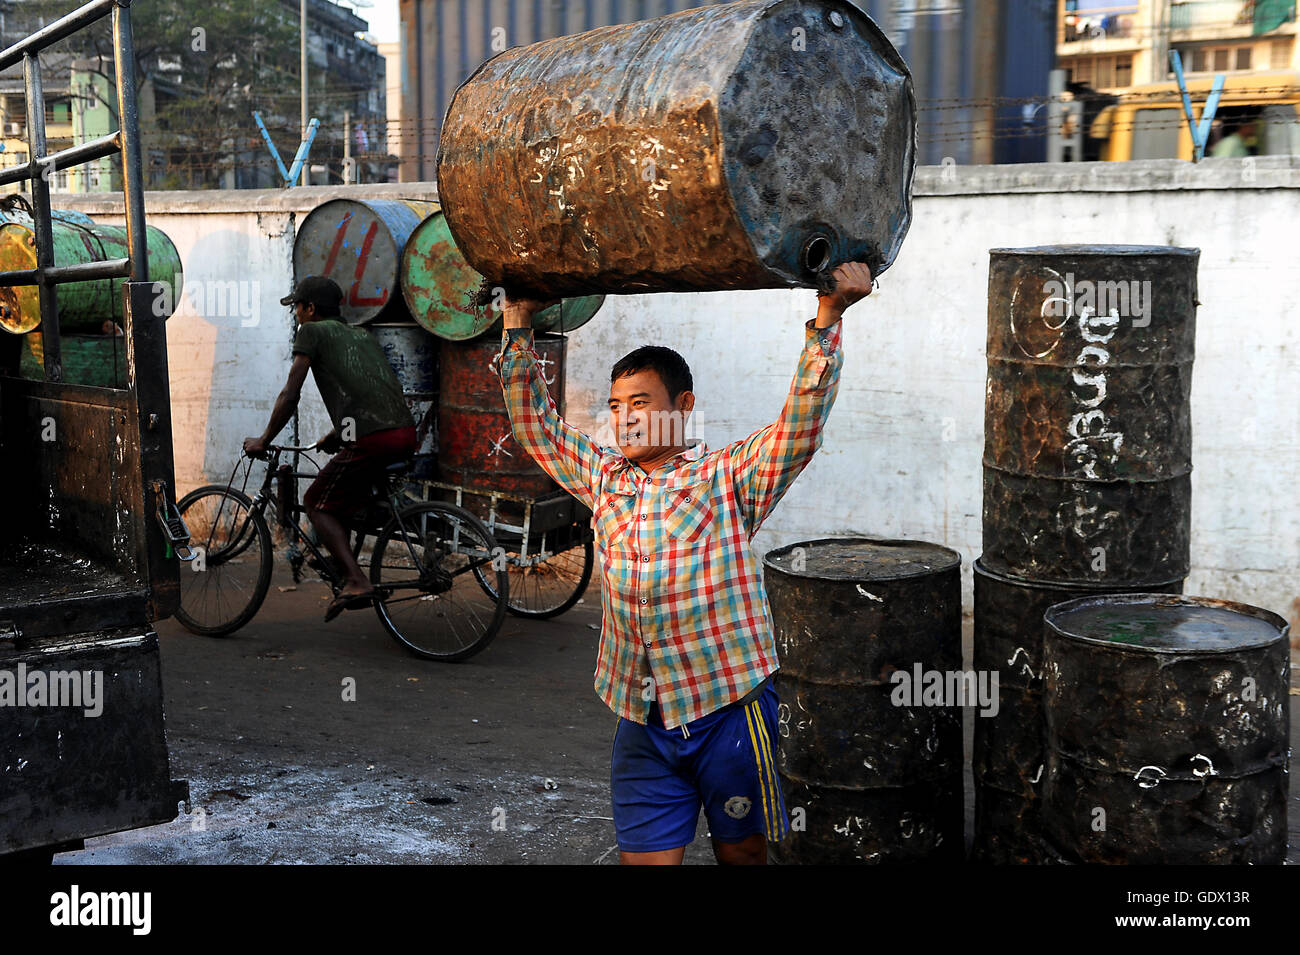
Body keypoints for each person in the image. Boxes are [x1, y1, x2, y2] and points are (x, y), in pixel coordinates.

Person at [491, 262, 874, 864]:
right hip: (642, 720)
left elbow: (799, 427)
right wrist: (517, 321)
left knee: (742, 857)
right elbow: (535, 426)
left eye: (640, 402)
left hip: (729, 714)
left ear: (683, 405)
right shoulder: (603, 478)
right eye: (616, 405)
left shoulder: (725, 478)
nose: (624, 417)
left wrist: (828, 317)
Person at [243, 276, 416, 622]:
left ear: (310, 308)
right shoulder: (360, 335)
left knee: (315, 503)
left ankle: (356, 580)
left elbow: (290, 394)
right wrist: (337, 434)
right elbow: (371, 393)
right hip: (404, 432)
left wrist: (264, 439)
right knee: (340, 499)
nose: (296, 315)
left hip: (372, 438)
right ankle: (342, 566)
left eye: (297, 308)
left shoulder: (312, 332)